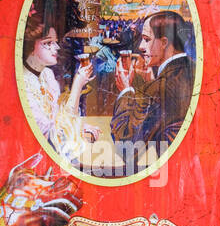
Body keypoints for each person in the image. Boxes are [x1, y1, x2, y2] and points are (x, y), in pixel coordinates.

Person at [110, 10, 195, 155]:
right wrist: (152, 82)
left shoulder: (153, 91)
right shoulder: (196, 69)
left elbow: (127, 149)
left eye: (147, 39)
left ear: (164, 43)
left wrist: (125, 91)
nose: (141, 47)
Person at [19, 17, 97, 164]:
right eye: (48, 43)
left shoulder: (47, 75)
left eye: (55, 41)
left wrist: (80, 127)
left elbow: (57, 119)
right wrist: (77, 85)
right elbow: (55, 137)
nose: (56, 47)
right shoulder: (23, 83)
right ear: (30, 46)